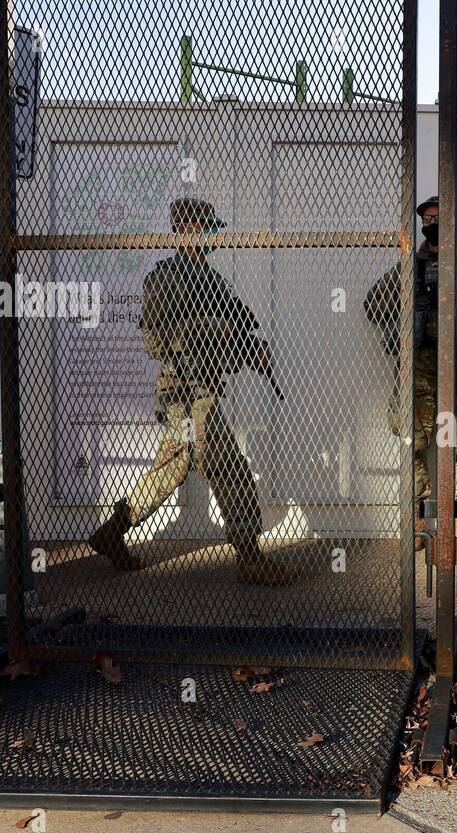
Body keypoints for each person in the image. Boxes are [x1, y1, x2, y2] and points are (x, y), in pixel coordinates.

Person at [86, 197, 297, 584]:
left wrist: (252, 350)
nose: (213, 235)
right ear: (185, 231)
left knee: (169, 471)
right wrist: (211, 329)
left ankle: (112, 531)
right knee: (231, 468)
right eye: (206, 227)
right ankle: (250, 559)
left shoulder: (214, 280)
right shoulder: (166, 277)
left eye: (214, 228)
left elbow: (234, 335)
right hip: (185, 393)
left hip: (203, 387)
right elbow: (155, 340)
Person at [365, 195, 457, 544]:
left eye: (438, 217)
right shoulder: (409, 266)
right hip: (421, 369)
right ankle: (419, 523)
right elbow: (372, 305)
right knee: (416, 441)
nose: (431, 223)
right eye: (426, 219)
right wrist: (409, 300)